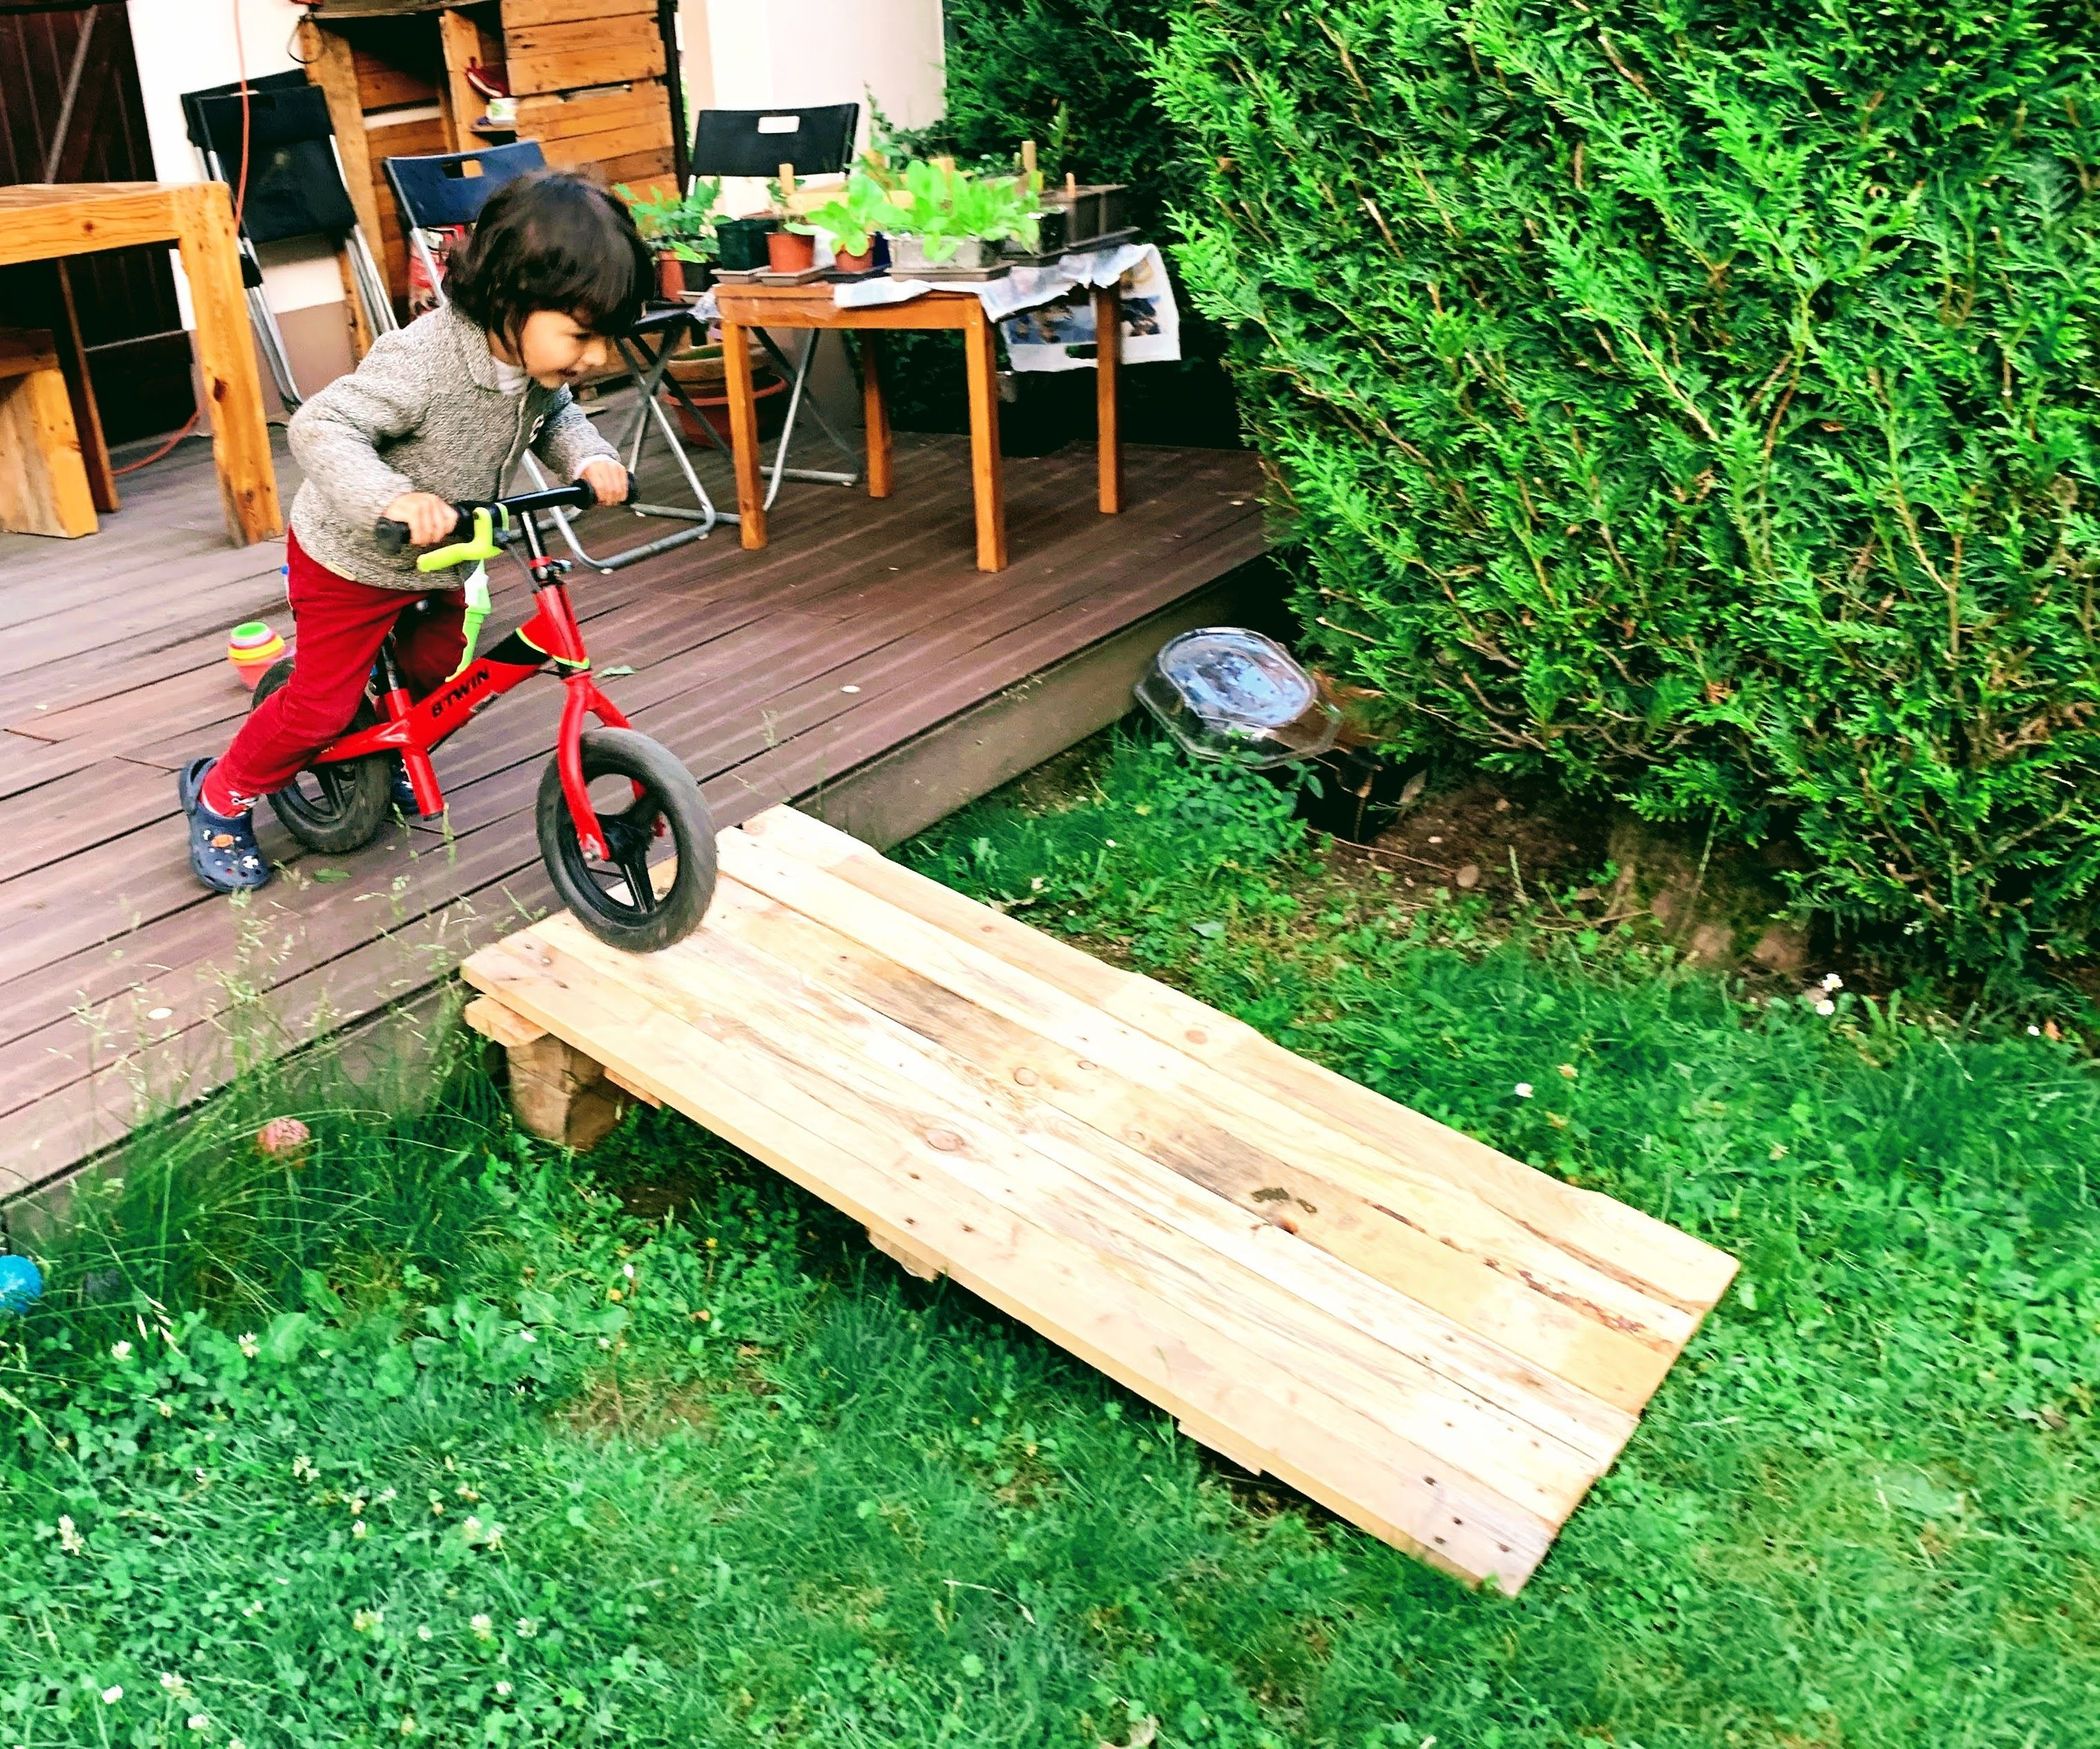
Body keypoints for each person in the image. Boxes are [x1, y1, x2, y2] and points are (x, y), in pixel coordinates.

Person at [178, 169, 646, 893]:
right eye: (582, 336)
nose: (595, 359)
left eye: (605, 339)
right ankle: (222, 794)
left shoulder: (531, 365)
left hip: (445, 559)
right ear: (510, 298)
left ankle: (381, 740)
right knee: (318, 705)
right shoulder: (423, 362)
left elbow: (554, 418)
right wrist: (393, 497)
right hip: (353, 558)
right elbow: (322, 424)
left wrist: (590, 457)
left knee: (437, 665)